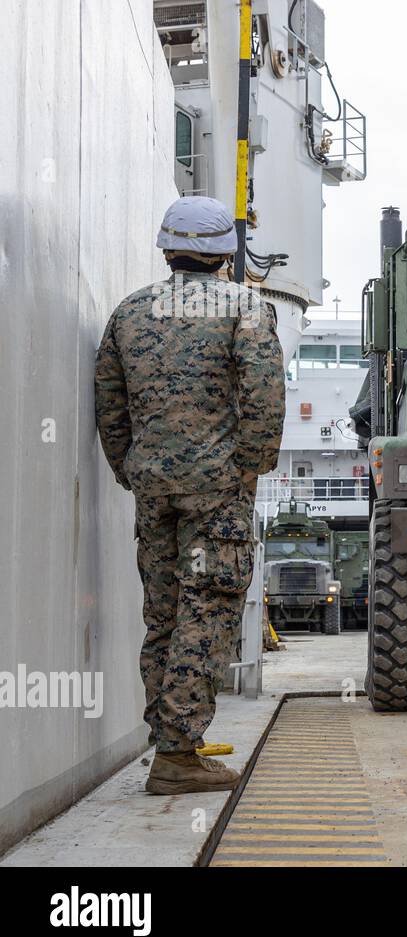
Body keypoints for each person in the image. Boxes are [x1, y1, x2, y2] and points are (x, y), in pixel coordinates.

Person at [95, 196, 285, 794]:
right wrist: (248, 470)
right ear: (226, 254)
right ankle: (178, 755)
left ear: (167, 248)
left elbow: (110, 404)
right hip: (216, 493)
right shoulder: (245, 309)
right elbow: (264, 398)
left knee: (164, 616)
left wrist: (131, 469)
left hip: (153, 491)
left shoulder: (129, 312)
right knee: (209, 611)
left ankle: (172, 742)